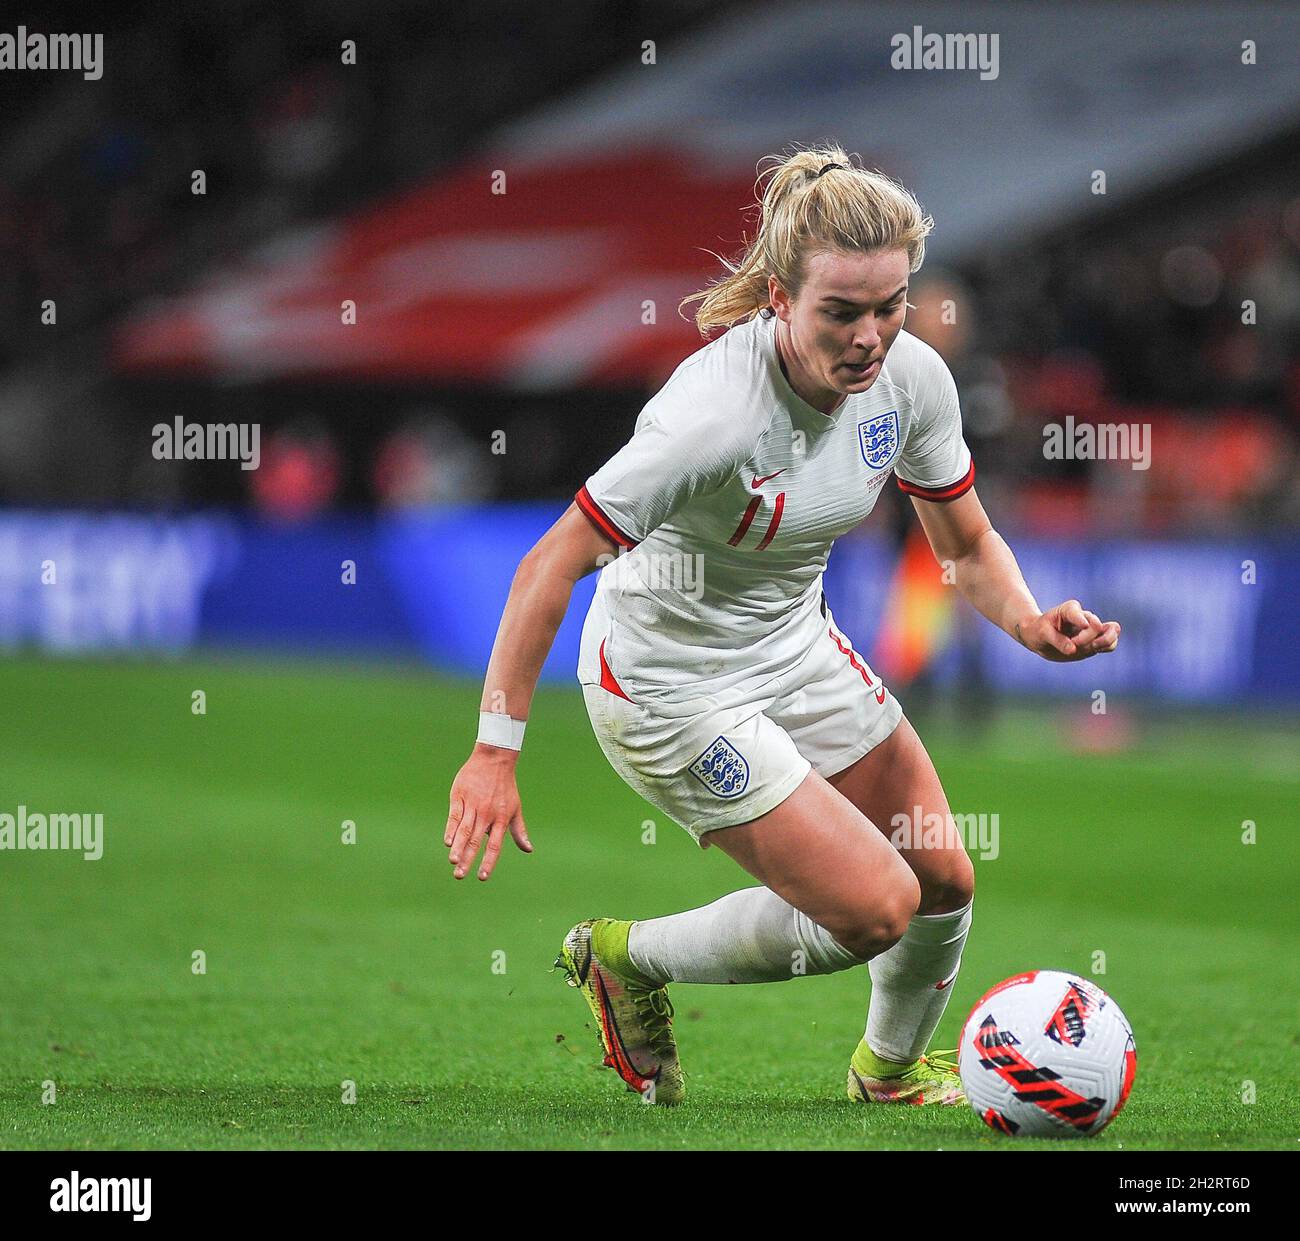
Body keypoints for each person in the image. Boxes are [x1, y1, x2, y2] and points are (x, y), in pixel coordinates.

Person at [444, 144, 1120, 1107]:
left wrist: (1028, 621)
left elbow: (965, 546)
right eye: (841, 311)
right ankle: (625, 957)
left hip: (794, 648)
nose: (870, 336)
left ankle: (886, 1075)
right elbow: (549, 563)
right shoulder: (712, 416)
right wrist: (495, 750)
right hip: (667, 684)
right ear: (778, 298)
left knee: (941, 875)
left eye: (890, 307)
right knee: (878, 907)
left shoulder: (913, 382)